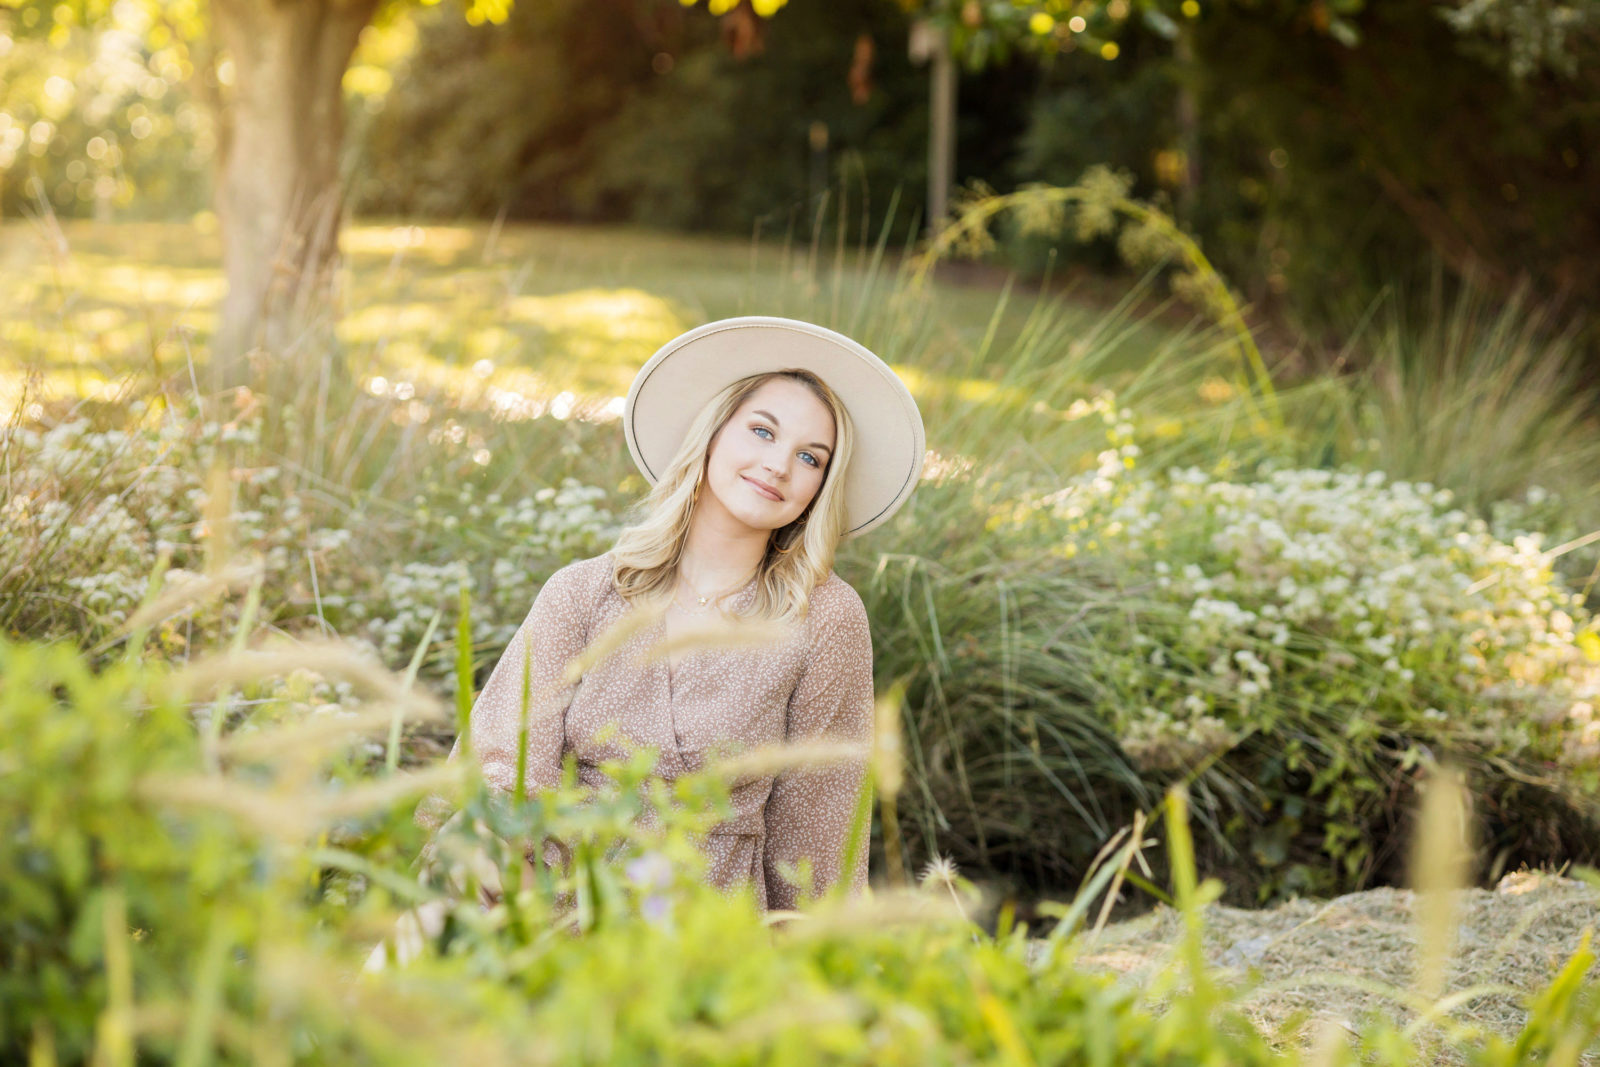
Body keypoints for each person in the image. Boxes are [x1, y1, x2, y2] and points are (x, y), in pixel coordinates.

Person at [456, 315, 925, 915]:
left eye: (810, 457)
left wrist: (809, 950)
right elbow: (503, 763)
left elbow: (818, 825)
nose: (779, 465)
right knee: (454, 896)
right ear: (712, 434)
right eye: (762, 431)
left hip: (703, 923)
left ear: (820, 488)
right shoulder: (584, 592)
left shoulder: (823, 617)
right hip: (556, 891)